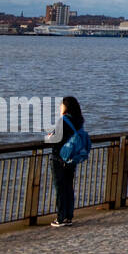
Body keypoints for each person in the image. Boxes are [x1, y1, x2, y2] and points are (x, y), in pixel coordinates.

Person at [45, 96, 85, 228]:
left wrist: (49, 136)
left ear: (65, 107)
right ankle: (68, 216)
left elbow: (53, 139)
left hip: (59, 159)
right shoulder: (78, 121)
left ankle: (60, 218)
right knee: (68, 187)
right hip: (71, 158)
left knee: (60, 188)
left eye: (61, 105)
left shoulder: (63, 121)